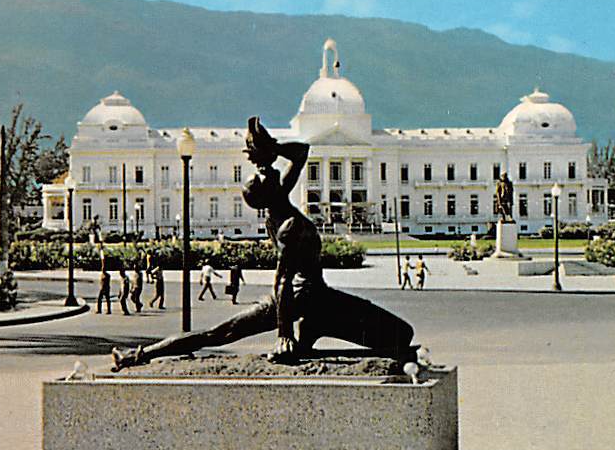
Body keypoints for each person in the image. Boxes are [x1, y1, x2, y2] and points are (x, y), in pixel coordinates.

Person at [112, 116, 414, 371]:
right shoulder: (288, 226)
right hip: (298, 299)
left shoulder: (277, 202)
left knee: (403, 335)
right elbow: (282, 281)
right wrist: (284, 334)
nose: (268, 171)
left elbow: (301, 152)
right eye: (263, 176)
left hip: (316, 297)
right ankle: (138, 355)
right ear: (266, 195)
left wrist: (271, 148)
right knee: (219, 334)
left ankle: (313, 329)